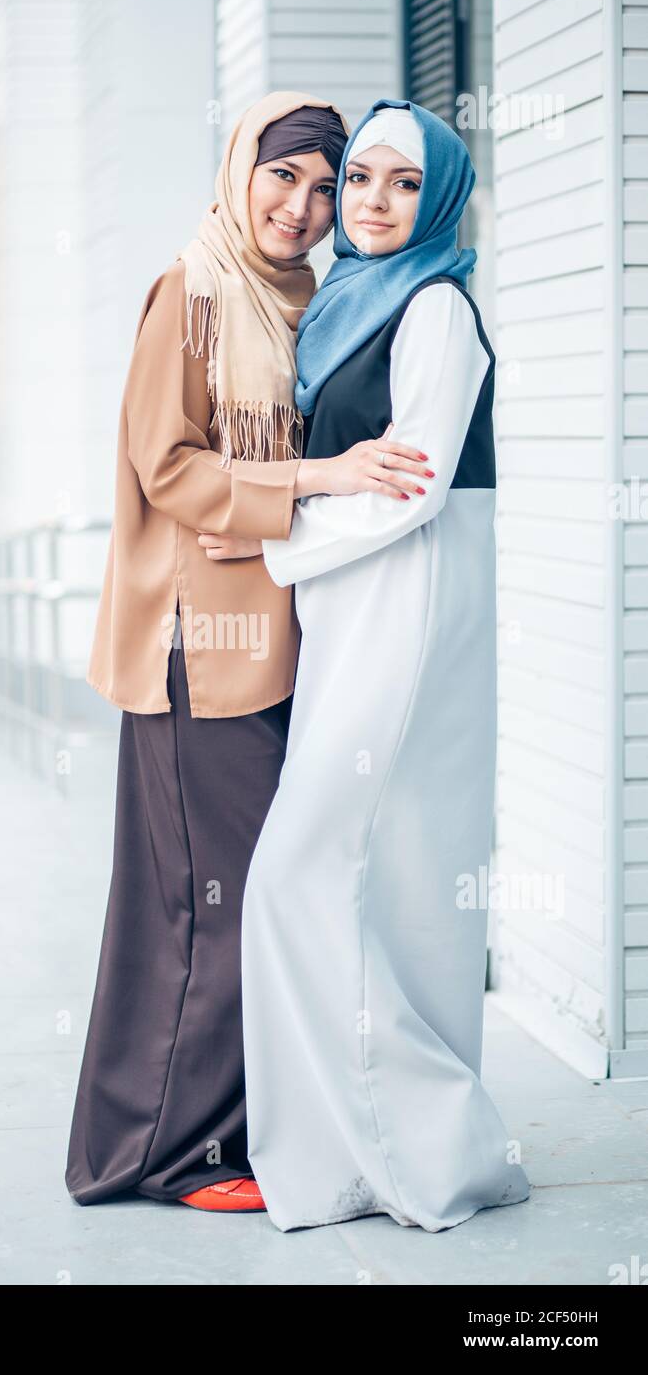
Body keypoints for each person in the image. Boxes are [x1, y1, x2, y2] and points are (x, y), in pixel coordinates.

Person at [64, 91, 429, 1214]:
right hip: (196, 644)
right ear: (239, 173)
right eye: (286, 177)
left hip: (270, 640)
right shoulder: (192, 291)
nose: (306, 207)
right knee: (207, 904)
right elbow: (165, 468)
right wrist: (321, 476)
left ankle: (193, 1132)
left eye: (325, 188)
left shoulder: (298, 299)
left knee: (228, 898)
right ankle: (170, 1157)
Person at [237, 99, 532, 1231]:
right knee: (393, 889)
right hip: (352, 607)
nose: (367, 201)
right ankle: (367, 1156)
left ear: (441, 198)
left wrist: (273, 540)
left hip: (401, 609)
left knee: (302, 874)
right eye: (358, 177)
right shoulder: (353, 306)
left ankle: (423, 1152)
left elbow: (407, 487)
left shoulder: (436, 307)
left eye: (402, 183)